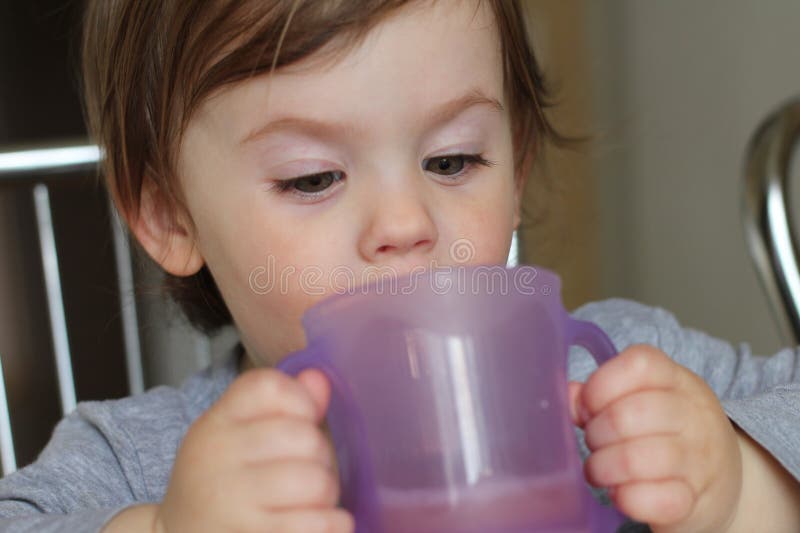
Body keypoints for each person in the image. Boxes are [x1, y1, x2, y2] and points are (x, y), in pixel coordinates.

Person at [1, 0, 799, 531]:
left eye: (453, 161)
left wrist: (739, 485)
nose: (407, 224)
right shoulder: (135, 460)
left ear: (516, 172)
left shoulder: (617, 374)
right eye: (314, 177)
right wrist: (167, 527)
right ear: (172, 215)